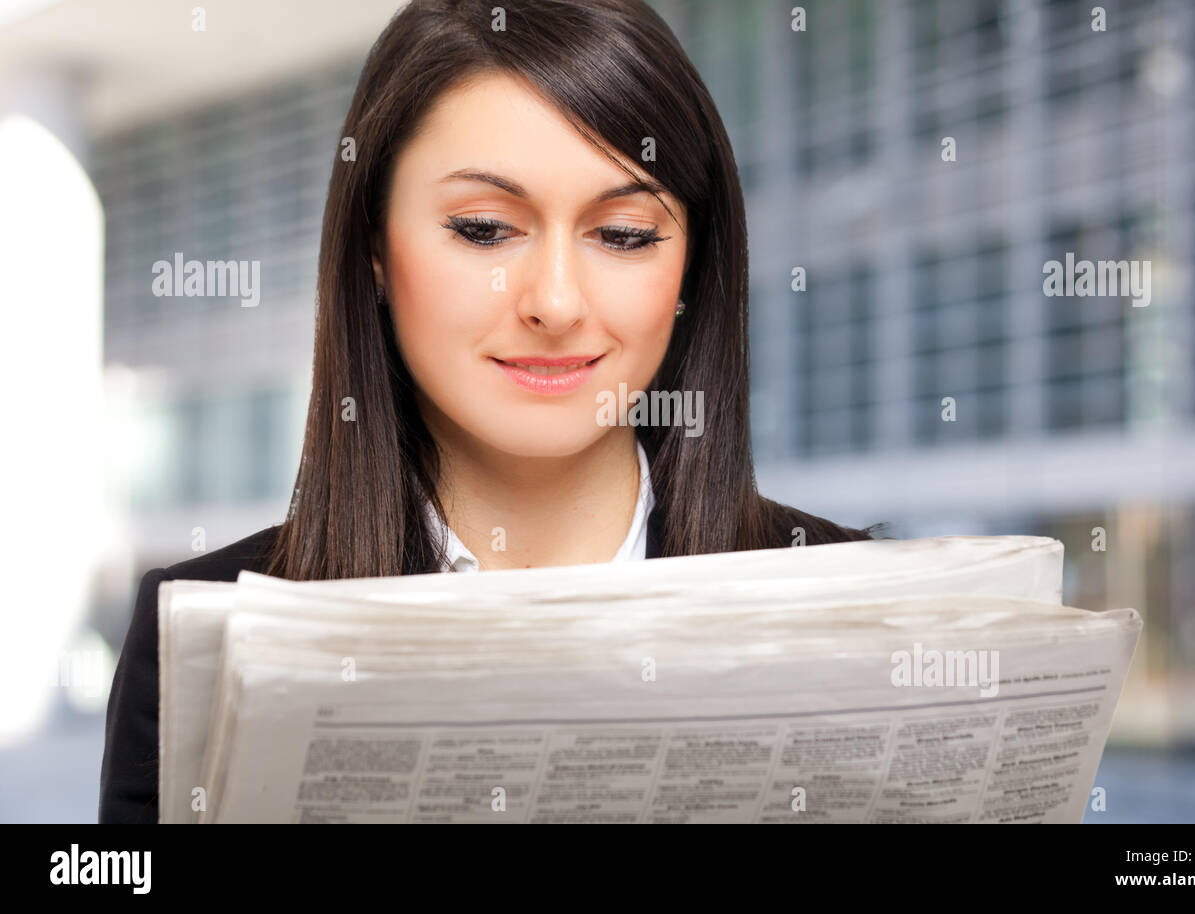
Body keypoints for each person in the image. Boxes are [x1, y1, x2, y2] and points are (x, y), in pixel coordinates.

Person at [99, 0, 882, 824]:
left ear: (692, 263)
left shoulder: (861, 603)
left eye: (621, 234)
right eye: (483, 229)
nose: (553, 301)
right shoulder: (201, 632)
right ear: (373, 244)